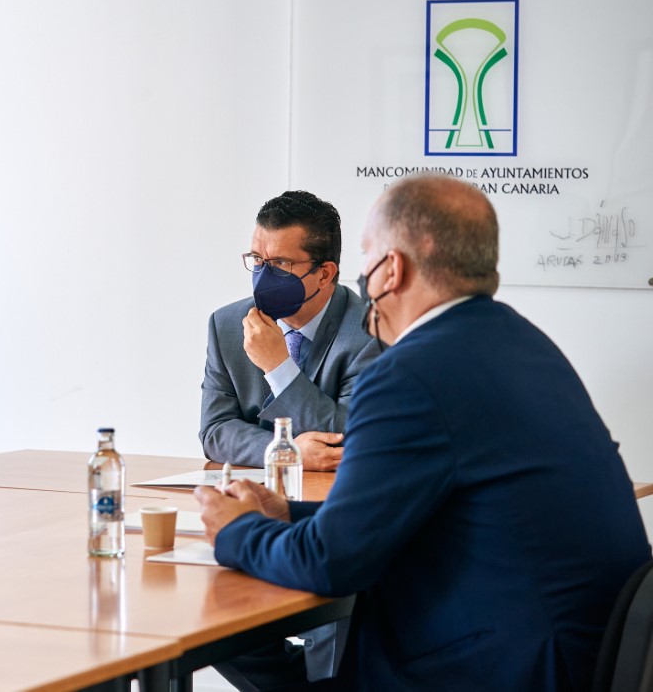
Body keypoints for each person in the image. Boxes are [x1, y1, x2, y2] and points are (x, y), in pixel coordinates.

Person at [195, 174, 651, 691]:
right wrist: (286, 511)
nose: (361, 276)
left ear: (393, 270)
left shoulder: (408, 375)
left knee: (214, 624)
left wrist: (234, 531)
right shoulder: (527, 346)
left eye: (366, 255)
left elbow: (332, 564)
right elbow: (422, 505)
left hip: (493, 669)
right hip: (573, 655)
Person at [200, 190, 380, 472]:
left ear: (324, 274)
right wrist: (285, 453)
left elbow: (349, 438)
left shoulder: (370, 334)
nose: (263, 274)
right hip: (252, 495)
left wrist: (278, 367)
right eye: (257, 259)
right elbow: (215, 432)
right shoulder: (226, 324)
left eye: (281, 263)